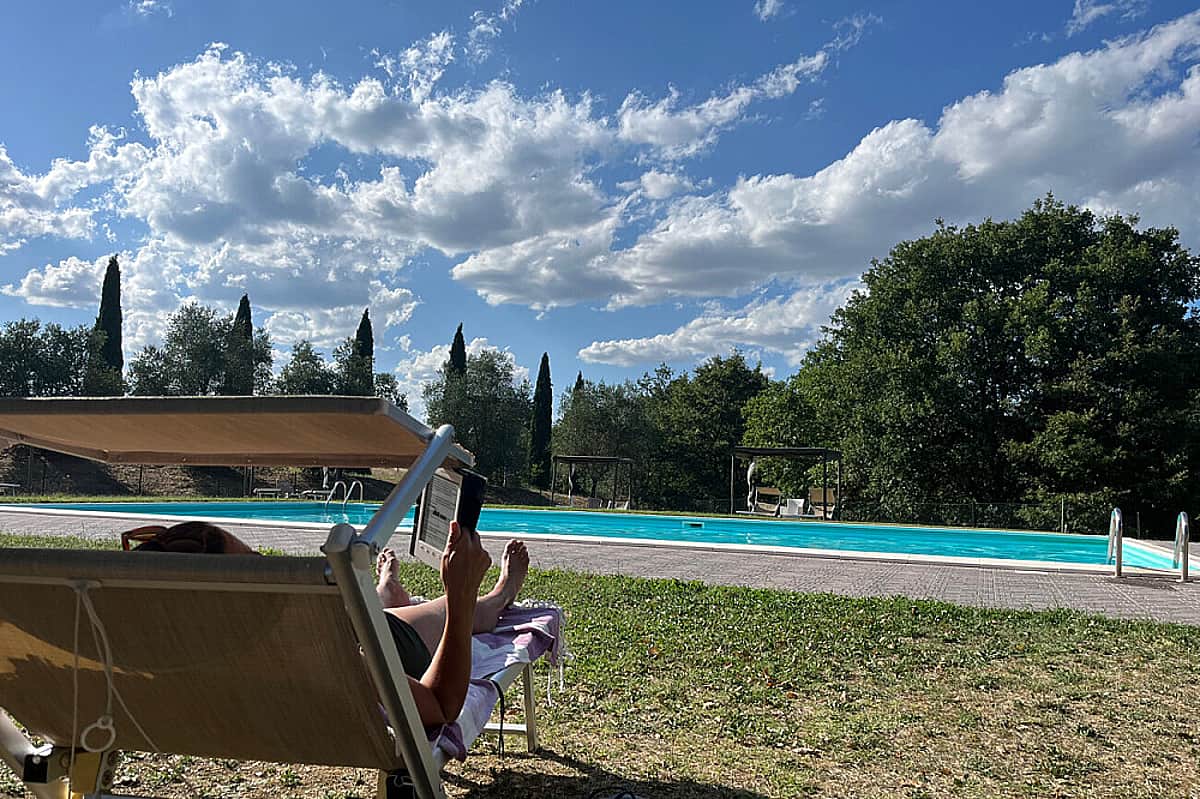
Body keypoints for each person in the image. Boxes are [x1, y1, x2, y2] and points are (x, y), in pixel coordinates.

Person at [126, 519, 529, 727]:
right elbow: (440, 707)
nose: (272, 566)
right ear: (237, 608)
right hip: (385, 642)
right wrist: (460, 596)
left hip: (348, 627)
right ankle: (500, 594)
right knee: (451, 611)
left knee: (366, 610)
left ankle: (387, 586)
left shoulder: (171, 665)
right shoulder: (323, 658)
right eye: (258, 562)